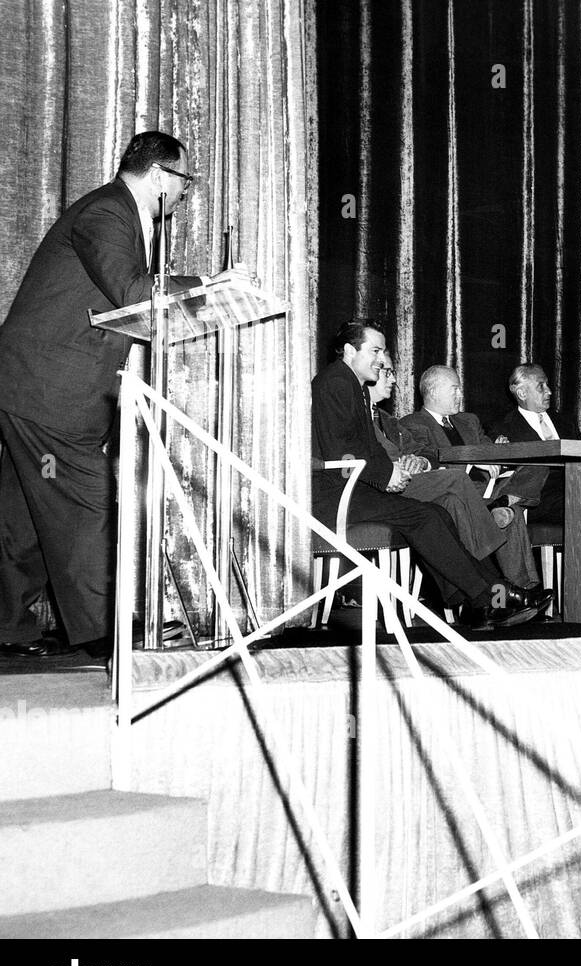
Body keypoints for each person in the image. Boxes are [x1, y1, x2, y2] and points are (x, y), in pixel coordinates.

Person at [0, 130, 252, 659]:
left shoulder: (116, 215)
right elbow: (136, 293)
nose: (185, 194)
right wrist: (211, 283)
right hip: (50, 390)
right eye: (184, 181)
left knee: (23, 517)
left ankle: (10, 629)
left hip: (35, 385)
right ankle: (103, 632)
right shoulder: (108, 213)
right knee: (82, 501)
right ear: (160, 175)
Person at [311, 320, 544, 630]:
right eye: (375, 351)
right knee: (425, 517)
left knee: (436, 513)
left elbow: (367, 447)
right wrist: (385, 476)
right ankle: (487, 596)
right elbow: (340, 449)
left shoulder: (352, 385)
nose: (382, 360)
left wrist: (388, 471)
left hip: (353, 486)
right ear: (351, 350)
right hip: (335, 494)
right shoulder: (336, 382)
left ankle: (480, 602)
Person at [369, 357, 548, 608]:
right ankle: (514, 592)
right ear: (433, 391)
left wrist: (499, 451)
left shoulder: (469, 421)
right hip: (456, 487)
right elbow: (428, 458)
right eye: (454, 388)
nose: (460, 394)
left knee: (537, 464)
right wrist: (473, 462)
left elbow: (491, 451)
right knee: (511, 513)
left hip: (488, 489)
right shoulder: (413, 423)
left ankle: (500, 508)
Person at [488, 364, 581, 525]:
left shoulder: (566, 423)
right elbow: (501, 474)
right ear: (522, 393)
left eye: (547, 385)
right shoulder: (501, 428)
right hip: (537, 499)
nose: (549, 391)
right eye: (541, 386)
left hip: (577, 488)